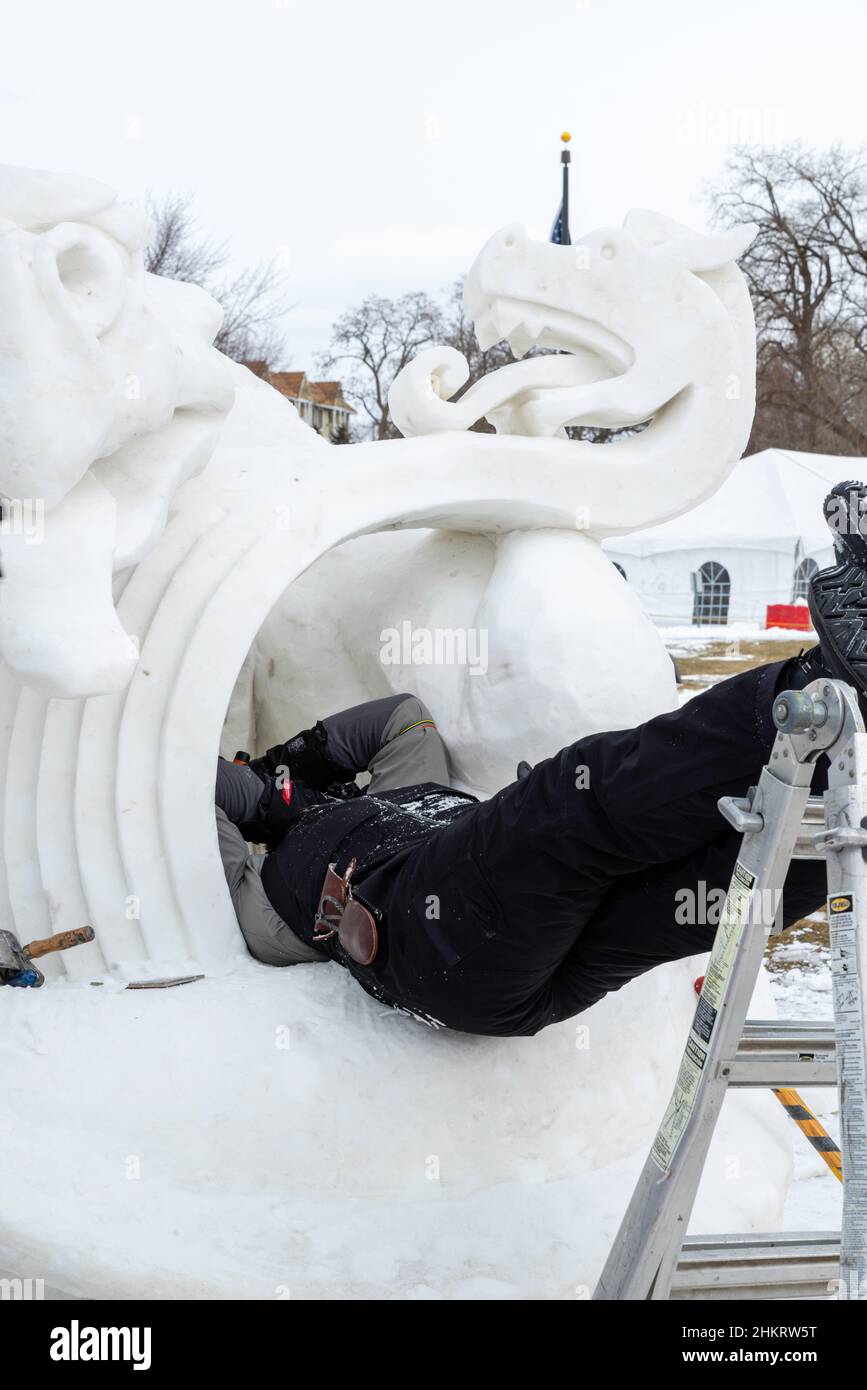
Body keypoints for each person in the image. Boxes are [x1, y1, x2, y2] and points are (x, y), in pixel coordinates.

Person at [215, 482, 867, 1038]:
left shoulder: (398, 788)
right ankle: (815, 681)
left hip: (535, 954)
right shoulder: (265, 901)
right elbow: (193, 792)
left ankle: (855, 773)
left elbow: (401, 717)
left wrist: (296, 760)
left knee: (716, 889)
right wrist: (264, 799)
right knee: (569, 801)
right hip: (431, 947)